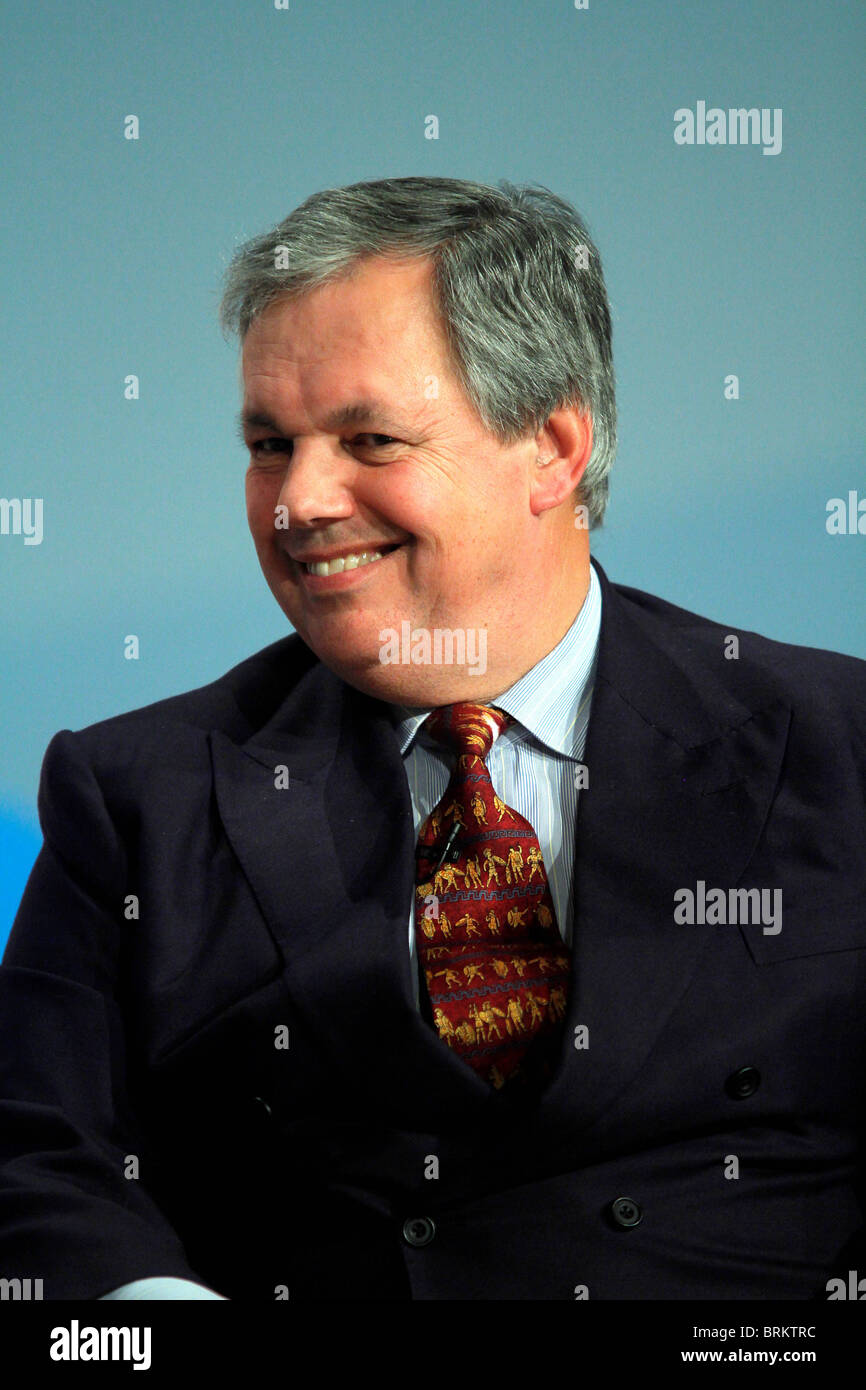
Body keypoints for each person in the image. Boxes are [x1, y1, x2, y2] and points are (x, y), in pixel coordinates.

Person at [1, 176, 864, 1301]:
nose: (295, 501)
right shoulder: (134, 795)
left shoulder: (838, 749)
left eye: (367, 437)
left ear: (551, 447)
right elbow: (35, 1155)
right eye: (269, 443)